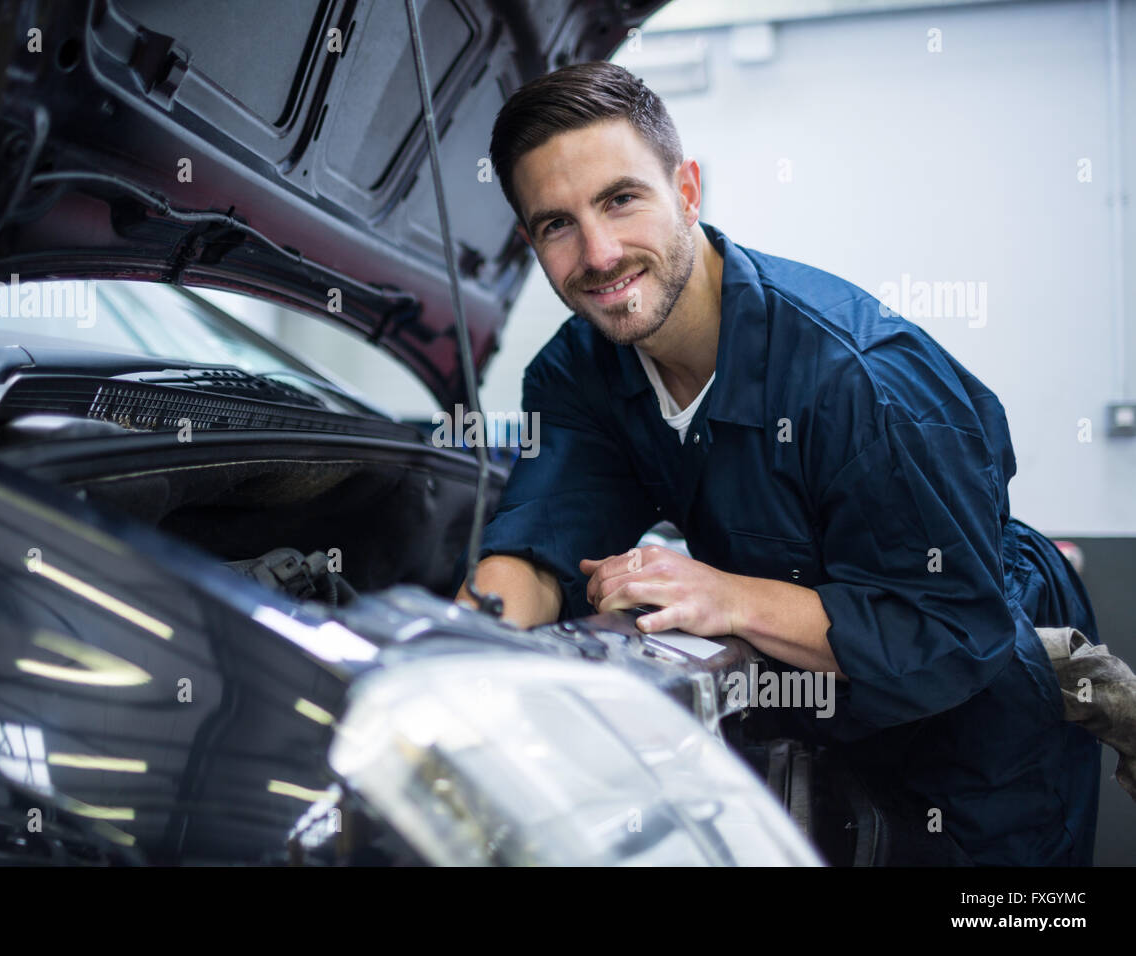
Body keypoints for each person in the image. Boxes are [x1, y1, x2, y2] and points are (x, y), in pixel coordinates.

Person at [455, 61, 1100, 866]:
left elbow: (947, 629)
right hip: (815, 723)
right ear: (530, 242)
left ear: (688, 189)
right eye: (557, 224)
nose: (599, 251)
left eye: (622, 199)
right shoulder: (583, 369)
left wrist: (724, 594)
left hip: (975, 739)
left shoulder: (859, 377)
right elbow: (538, 545)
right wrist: (450, 667)